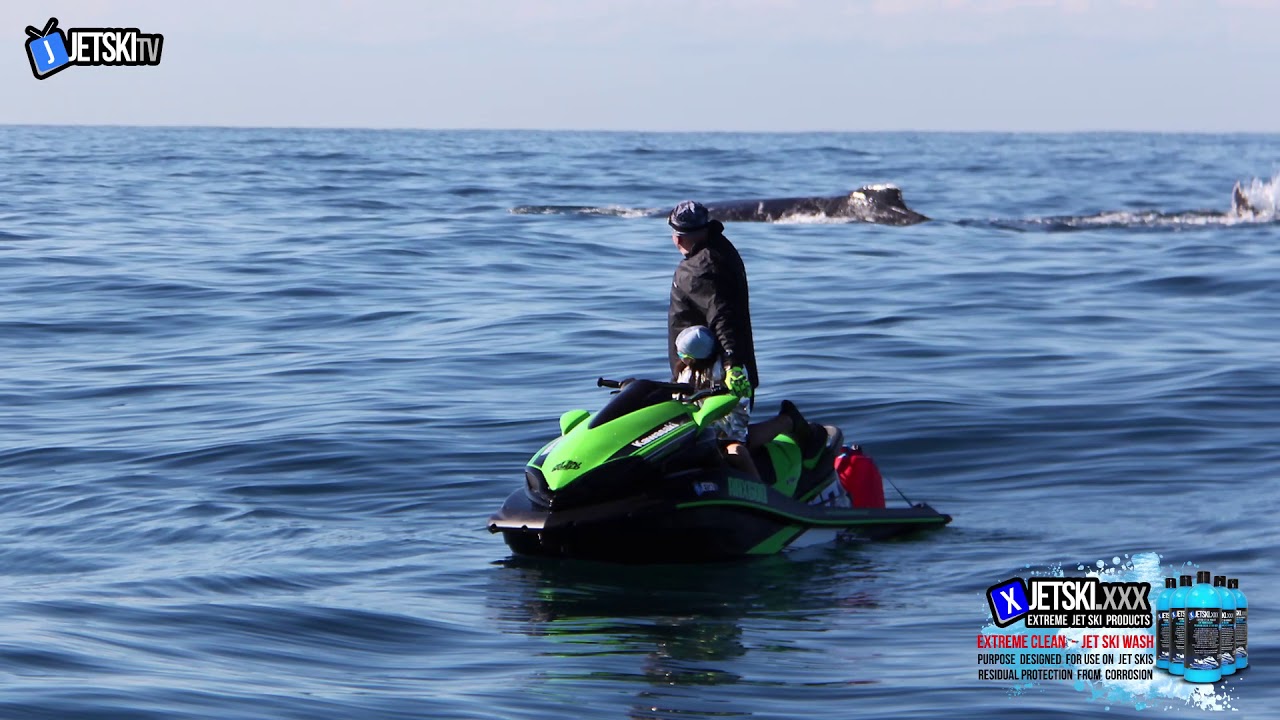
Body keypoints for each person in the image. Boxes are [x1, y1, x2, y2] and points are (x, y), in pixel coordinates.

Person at [673, 325, 813, 481]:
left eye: (681, 354)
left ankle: (761, 492)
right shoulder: (686, 371)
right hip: (701, 424)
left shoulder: (729, 372)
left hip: (728, 422)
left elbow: (739, 405)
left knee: (737, 451)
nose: (679, 357)